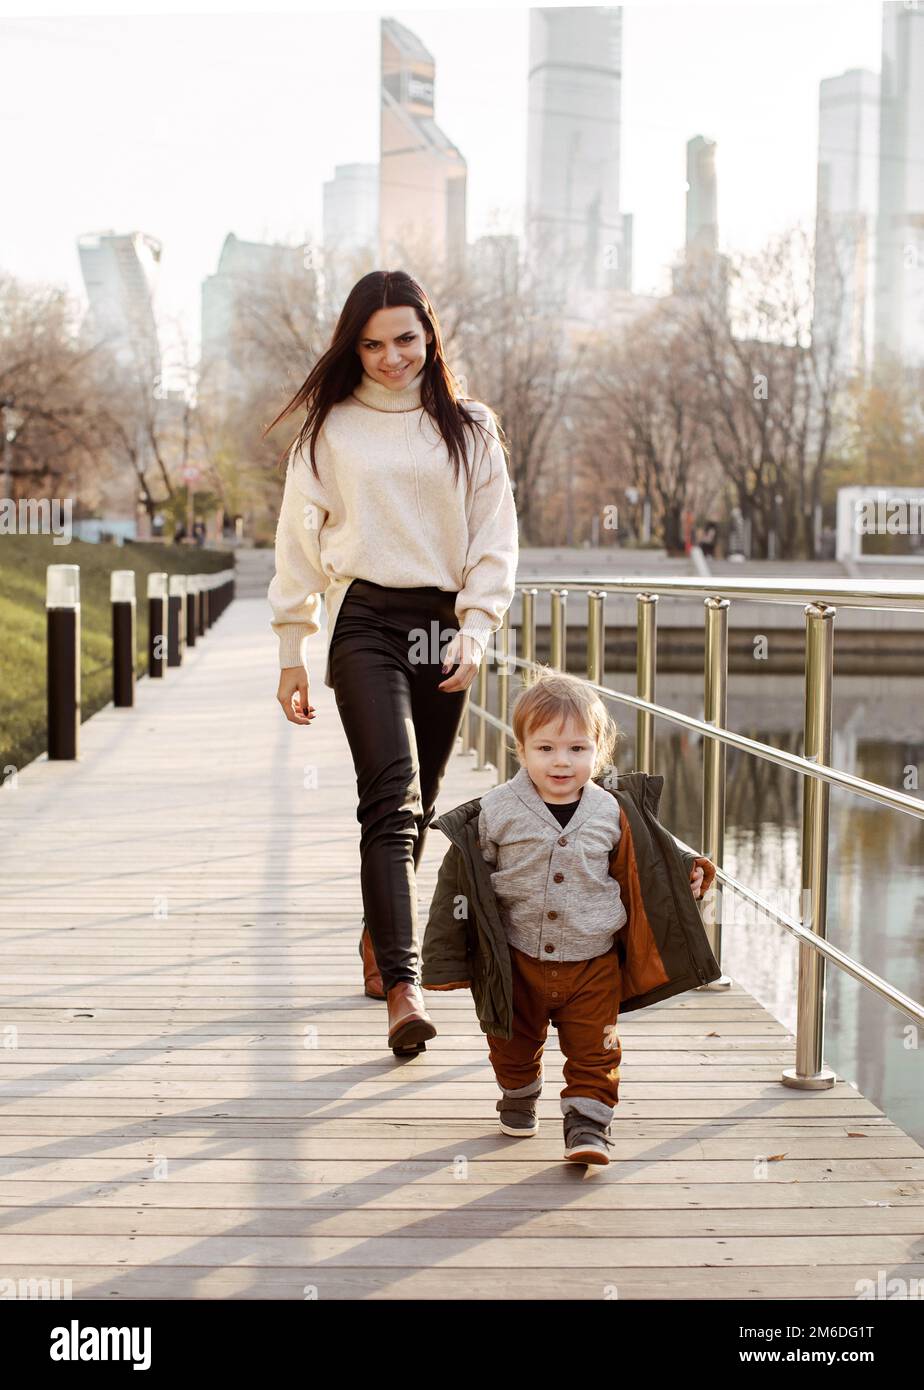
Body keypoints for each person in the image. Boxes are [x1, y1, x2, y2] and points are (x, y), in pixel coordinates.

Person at [264, 269, 519, 1055]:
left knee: (421, 802)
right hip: (365, 621)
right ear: (354, 346)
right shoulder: (329, 429)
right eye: (371, 344)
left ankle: (381, 938)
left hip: (440, 626)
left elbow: (494, 537)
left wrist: (476, 628)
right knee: (391, 796)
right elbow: (298, 542)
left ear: (429, 335)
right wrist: (290, 648)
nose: (390, 357)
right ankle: (403, 991)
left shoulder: (470, 428)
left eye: (404, 338)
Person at [421, 669, 717, 1165]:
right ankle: (518, 1092)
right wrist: (449, 958)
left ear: (598, 750)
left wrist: (688, 873)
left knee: (596, 1050)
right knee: (511, 1044)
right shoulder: (494, 812)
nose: (562, 761)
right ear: (521, 748)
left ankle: (587, 1124)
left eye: (577, 749)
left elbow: (651, 853)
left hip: (592, 961)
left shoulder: (614, 810)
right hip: (516, 961)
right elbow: (461, 881)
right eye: (546, 749)